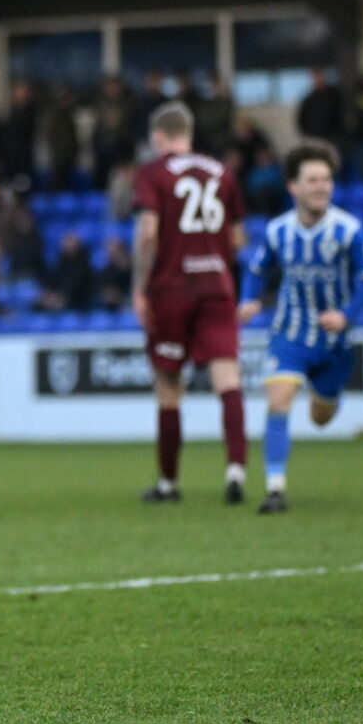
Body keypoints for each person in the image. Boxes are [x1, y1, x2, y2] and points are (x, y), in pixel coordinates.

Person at [237, 144, 363, 513]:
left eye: (326, 180)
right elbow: (257, 271)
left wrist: (347, 315)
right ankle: (275, 489)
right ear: (293, 186)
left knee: (321, 418)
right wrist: (249, 299)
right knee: (278, 400)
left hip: (334, 341)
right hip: (290, 332)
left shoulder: (348, 230)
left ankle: (327, 395)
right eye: (313, 180)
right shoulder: (278, 231)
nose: (322, 187)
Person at [132, 102, 248, 503]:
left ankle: (169, 483)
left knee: (168, 386)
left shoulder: (152, 172)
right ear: (190, 134)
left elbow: (148, 232)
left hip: (172, 288)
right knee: (227, 378)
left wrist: (140, 287)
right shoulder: (222, 172)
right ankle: (235, 471)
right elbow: (238, 238)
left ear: (158, 136)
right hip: (217, 286)